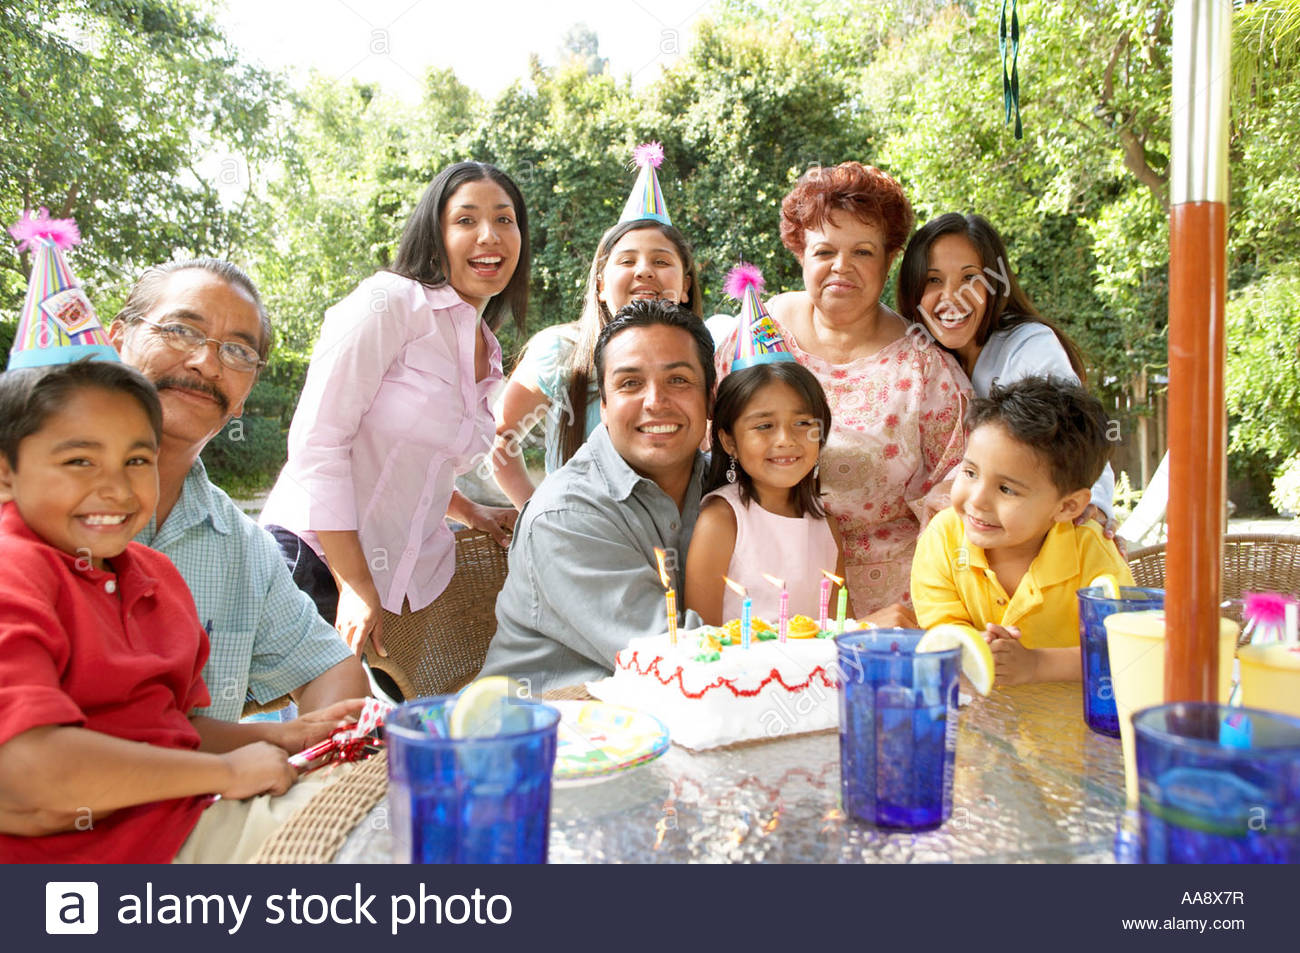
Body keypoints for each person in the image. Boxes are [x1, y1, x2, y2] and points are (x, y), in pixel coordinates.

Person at [0, 359, 356, 862]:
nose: (117, 489)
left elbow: (172, 731)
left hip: (184, 819)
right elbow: (26, 775)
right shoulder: (14, 573)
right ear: (6, 473)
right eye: (80, 460)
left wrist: (278, 734)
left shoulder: (156, 578)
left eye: (137, 460)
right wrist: (228, 773)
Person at [259, 162, 527, 672]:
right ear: (435, 234)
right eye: (466, 220)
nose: (489, 236)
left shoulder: (486, 348)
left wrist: (471, 512)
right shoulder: (390, 302)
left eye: (505, 219)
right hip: (314, 562)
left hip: (404, 587)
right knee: (318, 745)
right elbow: (319, 443)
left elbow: (419, 461)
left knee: (384, 745)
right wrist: (355, 583)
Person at [108, 259, 370, 721]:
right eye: (181, 330)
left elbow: (332, 671)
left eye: (237, 351)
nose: (206, 363)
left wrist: (312, 746)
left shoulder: (244, 549)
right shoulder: (26, 509)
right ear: (117, 342)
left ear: (243, 396)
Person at [715, 162, 968, 617]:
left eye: (864, 252)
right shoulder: (757, 331)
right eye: (824, 251)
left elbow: (957, 492)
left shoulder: (924, 366)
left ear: (889, 259)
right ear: (800, 255)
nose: (841, 267)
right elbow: (711, 439)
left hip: (890, 604)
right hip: (766, 585)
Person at [479, 299, 714, 694]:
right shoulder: (564, 516)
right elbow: (676, 660)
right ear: (603, 405)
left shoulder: (726, 487)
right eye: (630, 383)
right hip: (554, 736)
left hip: (681, 722)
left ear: (710, 397)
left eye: (678, 380)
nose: (655, 401)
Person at [490, 143, 702, 508]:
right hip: (579, 544)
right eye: (627, 260)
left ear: (685, 285)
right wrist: (538, 516)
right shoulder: (562, 352)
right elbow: (498, 440)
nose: (644, 270)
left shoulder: (706, 355)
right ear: (601, 284)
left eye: (662, 260)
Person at [910, 377, 1134, 686]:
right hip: (976, 724)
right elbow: (943, 632)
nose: (977, 499)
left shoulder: (1092, 552)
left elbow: (1125, 650)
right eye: (970, 472)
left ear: (1068, 506)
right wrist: (977, 645)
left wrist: (1036, 664)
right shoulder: (943, 538)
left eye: (1006, 489)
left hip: (1067, 727)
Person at [896, 211, 1116, 521]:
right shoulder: (922, 357)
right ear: (912, 290)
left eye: (970, 278)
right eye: (933, 280)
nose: (951, 296)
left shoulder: (1028, 346)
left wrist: (1096, 511)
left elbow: (1078, 438)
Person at [684, 267, 847, 624]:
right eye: (764, 426)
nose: (786, 440)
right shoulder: (722, 521)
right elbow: (701, 641)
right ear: (728, 439)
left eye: (803, 423)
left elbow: (835, 632)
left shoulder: (826, 524)